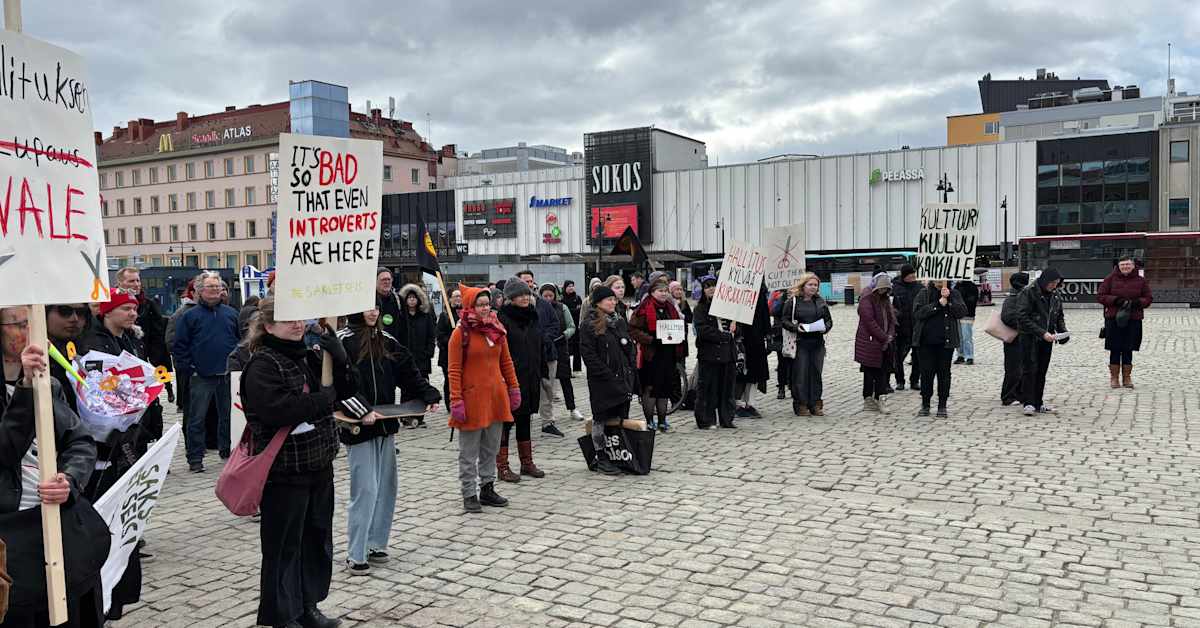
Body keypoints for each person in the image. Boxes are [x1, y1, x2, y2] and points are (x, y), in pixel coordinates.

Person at [240, 297, 353, 628]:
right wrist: (323, 400)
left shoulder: (311, 356)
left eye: (299, 319)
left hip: (319, 464)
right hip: (285, 471)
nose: (296, 324)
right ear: (268, 325)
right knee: (283, 547)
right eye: (286, 320)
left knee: (316, 540)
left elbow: (346, 391)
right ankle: (282, 615)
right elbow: (278, 411)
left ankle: (307, 606)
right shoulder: (262, 365)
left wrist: (340, 358)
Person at [0, 314, 103, 628]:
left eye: (34, 322)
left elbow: (80, 440)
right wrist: (26, 389)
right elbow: (4, 451)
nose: (32, 332)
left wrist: (69, 478)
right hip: (11, 531)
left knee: (72, 604)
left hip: (56, 523)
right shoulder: (34, 384)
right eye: (20, 324)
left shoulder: (50, 383)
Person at [337, 308, 440, 576]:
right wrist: (360, 411)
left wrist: (429, 394)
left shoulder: (387, 339)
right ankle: (355, 553)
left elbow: (409, 372)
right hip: (358, 426)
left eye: (375, 307)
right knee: (365, 489)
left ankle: (376, 543)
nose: (373, 312)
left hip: (385, 422)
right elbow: (339, 384)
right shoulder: (341, 341)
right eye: (366, 307)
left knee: (387, 487)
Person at [447, 285, 519, 512]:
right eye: (480, 305)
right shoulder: (460, 333)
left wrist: (513, 388)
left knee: (491, 447)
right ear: (470, 307)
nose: (485, 308)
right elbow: (454, 370)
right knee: (469, 452)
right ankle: (469, 493)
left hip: (496, 398)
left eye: (487, 304)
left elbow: (506, 362)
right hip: (471, 399)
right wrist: (455, 399)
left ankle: (487, 487)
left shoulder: (497, 329)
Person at [172, 271, 240, 473]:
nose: (215, 290)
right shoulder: (189, 316)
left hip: (227, 374)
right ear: (200, 291)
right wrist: (190, 369)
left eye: (218, 287)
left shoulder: (231, 313)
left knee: (228, 416)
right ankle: (195, 458)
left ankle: (226, 451)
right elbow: (180, 346)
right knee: (196, 418)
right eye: (210, 287)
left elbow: (240, 340)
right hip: (200, 375)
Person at [577, 285, 633, 474]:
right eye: (609, 299)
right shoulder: (589, 324)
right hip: (603, 381)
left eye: (614, 299)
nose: (613, 302)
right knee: (601, 418)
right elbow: (589, 356)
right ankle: (601, 456)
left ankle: (619, 453)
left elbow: (628, 347)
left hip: (622, 379)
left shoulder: (618, 321)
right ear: (598, 302)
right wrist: (608, 375)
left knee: (619, 417)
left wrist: (629, 368)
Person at [496, 278, 545, 481]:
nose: (525, 298)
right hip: (510, 379)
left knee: (525, 419)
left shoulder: (533, 317)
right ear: (511, 298)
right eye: (520, 295)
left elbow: (538, 344)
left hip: (531, 376)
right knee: (506, 422)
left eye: (527, 294)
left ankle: (527, 462)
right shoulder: (502, 319)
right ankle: (502, 466)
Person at [628, 276, 685, 432]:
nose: (663, 294)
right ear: (652, 292)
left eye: (666, 291)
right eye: (660, 291)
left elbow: (679, 327)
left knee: (664, 388)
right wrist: (651, 339)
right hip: (650, 354)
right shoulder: (644, 308)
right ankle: (649, 420)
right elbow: (633, 329)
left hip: (668, 354)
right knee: (651, 388)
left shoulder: (670, 308)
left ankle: (662, 420)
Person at [1014, 268, 1069, 416]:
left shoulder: (1055, 295)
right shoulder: (1029, 292)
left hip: (1047, 338)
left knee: (1041, 371)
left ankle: (1038, 402)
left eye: (1056, 283)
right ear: (1045, 280)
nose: (1054, 286)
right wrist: (1041, 332)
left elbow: (1058, 315)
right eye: (1052, 283)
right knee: (1029, 369)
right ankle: (1028, 402)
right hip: (1030, 337)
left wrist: (1062, 332)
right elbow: (1022, 316)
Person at [515, 271, 562, 437]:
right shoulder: (512, 308)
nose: (528, 284)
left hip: (547, 354)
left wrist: (542, 339)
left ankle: (547, 422)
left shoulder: (543, 304)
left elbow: (555, 325)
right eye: (524, 281)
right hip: (523, 358)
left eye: (530, 281)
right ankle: (517, 418)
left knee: (547, 388)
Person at [779, 273, 833, 416]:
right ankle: (801, 404)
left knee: (816, 373)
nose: (813, 287)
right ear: (803, 286)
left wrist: (825, 327)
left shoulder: (820, 301)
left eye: (815, 285)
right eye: (810, 284)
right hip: (800, 342)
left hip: (817, 342)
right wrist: (797, 327)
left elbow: (828, 320)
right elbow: (784, 320)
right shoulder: (793, 301)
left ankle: (815, 403)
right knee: (801, 374)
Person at [912, 282, 967, 418]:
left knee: (944, 375)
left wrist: (949, 302)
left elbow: (962, 312)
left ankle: (942, 405)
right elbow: (918, 313)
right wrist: (937, 304)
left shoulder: (954, 293)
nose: (938, 281)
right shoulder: (923, 293)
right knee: (926, 375)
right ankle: (925, 404)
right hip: (925, 343)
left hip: (946, 344)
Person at [117, 268, 172, 404]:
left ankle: (168, 389)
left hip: (147, 348)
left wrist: (155, 351)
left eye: (138, 280)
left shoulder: (148, 303)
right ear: (120, 283)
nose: (136, 284)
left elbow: (157, 329)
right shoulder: (114, 302)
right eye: (131, 281)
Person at [1097, 256, 1152, 389]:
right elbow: (1100, 296)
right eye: (1122, 265)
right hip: (1113, 319)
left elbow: (1148, 298)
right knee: (1115, 348)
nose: (1125, 267)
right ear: (1118, 266)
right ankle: (1114, 378)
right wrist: (1116, 300)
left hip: (1133, 318)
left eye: (1128, 264)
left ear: (1133, 266)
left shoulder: (1141, 281)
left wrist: (1137, 303)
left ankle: (1127, 378)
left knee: (1128, 348)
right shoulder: (1110, 279)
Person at [692, 276, 737, 429]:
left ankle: (727, 419)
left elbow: (737, 331)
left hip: (727, 354)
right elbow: (702, 330)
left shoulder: (729, 308)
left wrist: (735, 327)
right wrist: (724, 335)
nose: (711, 289)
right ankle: (706, 420)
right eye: (707, 286)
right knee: (708, 388)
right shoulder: (700, 309)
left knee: (727, 389)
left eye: (714, 286)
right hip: (709, 354)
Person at [539, 284, 583, 422]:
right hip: (544, 349)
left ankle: (572, 408)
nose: (547, 299)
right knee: (546, 383)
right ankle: (547, 413)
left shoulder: (562, 307)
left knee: (565, 379)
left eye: (550, 296)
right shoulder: (536, 309)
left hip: (560, 347)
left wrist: (565, 335)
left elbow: (571, 326)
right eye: (544, 296)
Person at [395, 284, 436, 427]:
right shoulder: (401, 317)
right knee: (406, 388)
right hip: (406, 359)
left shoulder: (425, 316)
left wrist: (428, 352)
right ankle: (405, 416)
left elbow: (431, 336)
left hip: (422, 358)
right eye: (409, 298)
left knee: (421, 386)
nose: (412, 301)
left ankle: (419, 416)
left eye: (414, 298)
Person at [855, 273, 896, 413]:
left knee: (881, 370)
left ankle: (876, 398)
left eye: (886, 289)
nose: (883, 291)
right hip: (870, 341)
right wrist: (884, 336)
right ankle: (874, 399)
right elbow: (869, 321)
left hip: (883, 341)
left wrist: (890, 334)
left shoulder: (885, 299)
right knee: (873, 371)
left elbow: (891, 318)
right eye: (881, 288)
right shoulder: (867, 298)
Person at [44, 303, 92, 413]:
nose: (74, 319)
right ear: (45, 312)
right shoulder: (30, 356)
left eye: (81, 313)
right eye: (64, 311)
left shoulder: (91, 352)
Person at [734, 287, 771, 418]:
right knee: (740, 372)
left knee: (755, 372)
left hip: (756, 337)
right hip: (739, 336)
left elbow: (764, 312)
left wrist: (768, 334)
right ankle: (737, 403)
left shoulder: (760, 290)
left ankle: (750, 403)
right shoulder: (735, 288)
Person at [891, 264, 922, 391]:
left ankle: (915, 380)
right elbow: (891, 307)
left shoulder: (920, 288)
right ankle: (900, 381)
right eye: (910, 276)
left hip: (917, 328)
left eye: (914, 275)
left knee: (917, 357)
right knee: (898, 356)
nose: (913, 277)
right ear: (904, 276)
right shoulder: (895, 289)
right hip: (901, 328)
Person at [436, 289, 463, 406]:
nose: (458, 298)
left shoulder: (464, 313)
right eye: (455, 296)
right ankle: (450, 403)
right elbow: (440, 336)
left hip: (463, 354)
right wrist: (453, 341)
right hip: (447, 355)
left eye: (460, 296)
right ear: (450, 299)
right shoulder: (445, 315)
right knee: (449, 380)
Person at [953, 278, 980, 365]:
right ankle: (960, 355)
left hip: (967, 315)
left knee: (966, 337)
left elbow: (972, 301)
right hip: (957, 314)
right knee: (959, 336)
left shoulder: (972, 287)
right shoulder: (956, 286)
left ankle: (969, 356)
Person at [561, 280, 584, 372]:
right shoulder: (562, 299)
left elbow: (580, 311)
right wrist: (575, 310)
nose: (571, 288)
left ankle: (577, 369)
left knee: (577, 348)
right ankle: (567, 369)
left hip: (577, 326)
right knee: (566, 349)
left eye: (572, 286)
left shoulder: (577, 298)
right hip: (567, 327)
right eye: (569, 286)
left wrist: (573, 310)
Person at [375, 268, 402, 341]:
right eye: (383, 280)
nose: (387, 282)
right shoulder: (369, 300)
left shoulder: (399, 300)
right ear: (375, 281)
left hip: (395, 347)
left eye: (388, 279)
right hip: (375, 346)